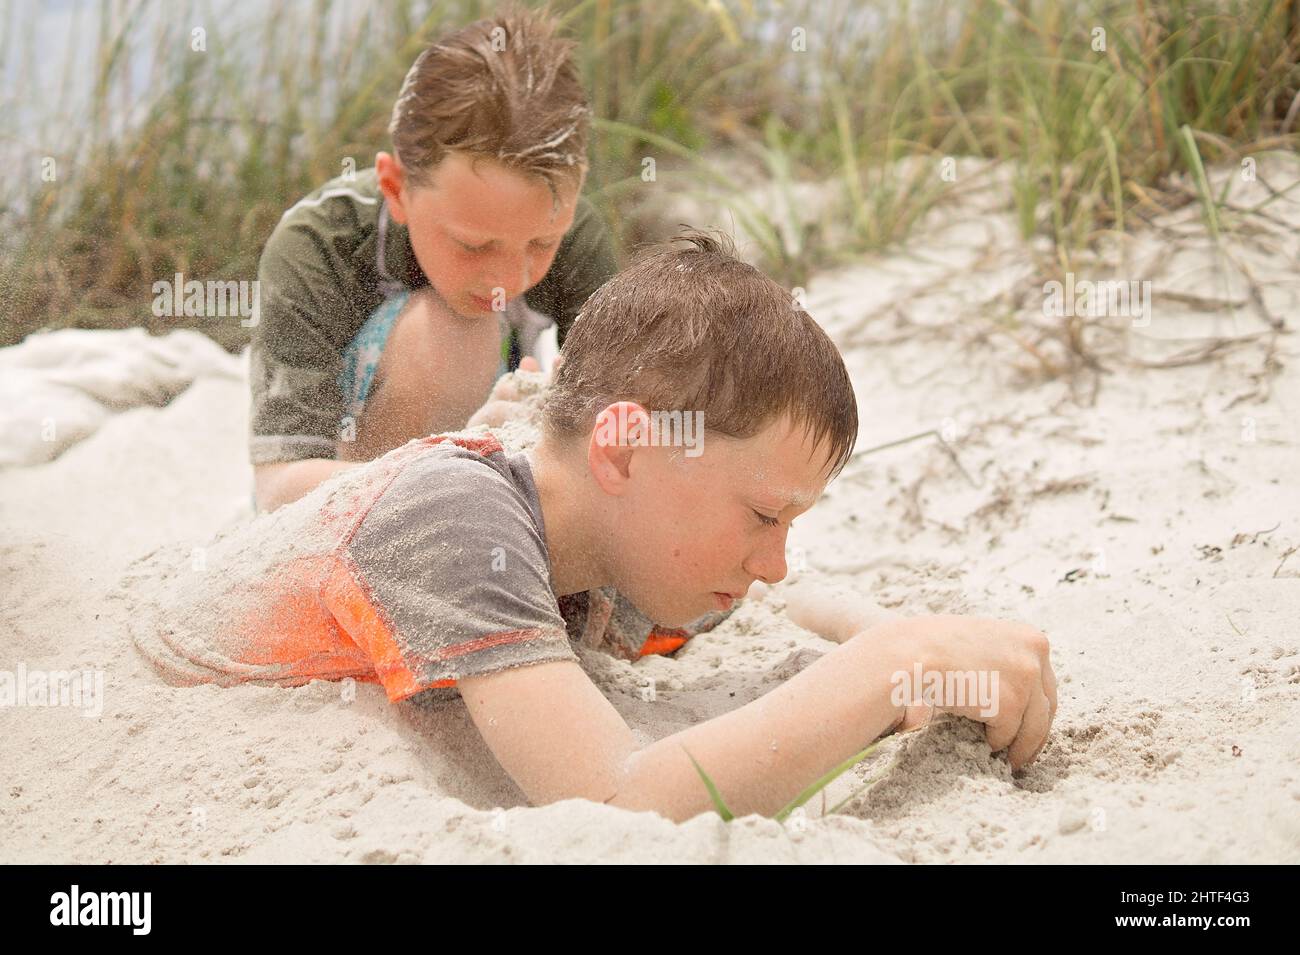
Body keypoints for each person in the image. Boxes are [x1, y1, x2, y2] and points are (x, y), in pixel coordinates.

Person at [129, 230, 1057, 824]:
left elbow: (790, 603)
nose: (773, 564)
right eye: (764, 515)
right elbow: (618, 800)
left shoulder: (618, 532)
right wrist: (893, 667)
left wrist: (894, 635)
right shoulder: (457, 516)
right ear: (621, 449)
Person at [249, 3, 617, 513]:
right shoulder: (316, 245)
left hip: (495, 502)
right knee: (448, 333)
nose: (508, 280)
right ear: (395, 188)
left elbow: (634, 426)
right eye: (473, 245)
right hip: (344, 513)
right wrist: (453, 464)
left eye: (541, 244)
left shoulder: (578, 235)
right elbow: (278, 486)